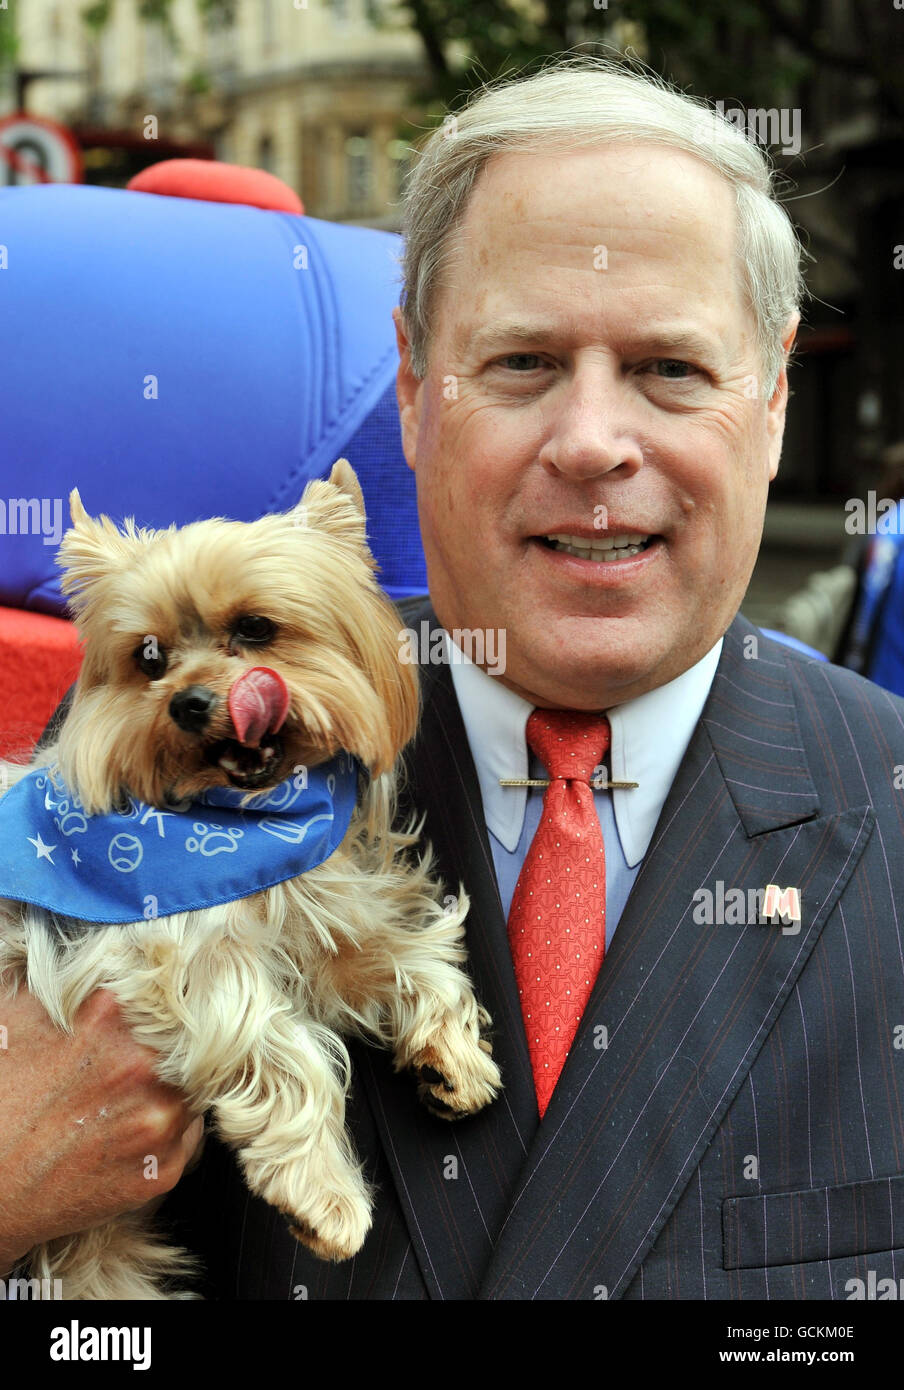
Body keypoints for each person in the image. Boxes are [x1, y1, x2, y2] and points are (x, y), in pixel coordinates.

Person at [3, 54, 904, 1301]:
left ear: (772, 398)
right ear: (418, 394)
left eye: (671, 369)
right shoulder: (119, 760)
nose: (592, 443)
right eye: (523, 363)